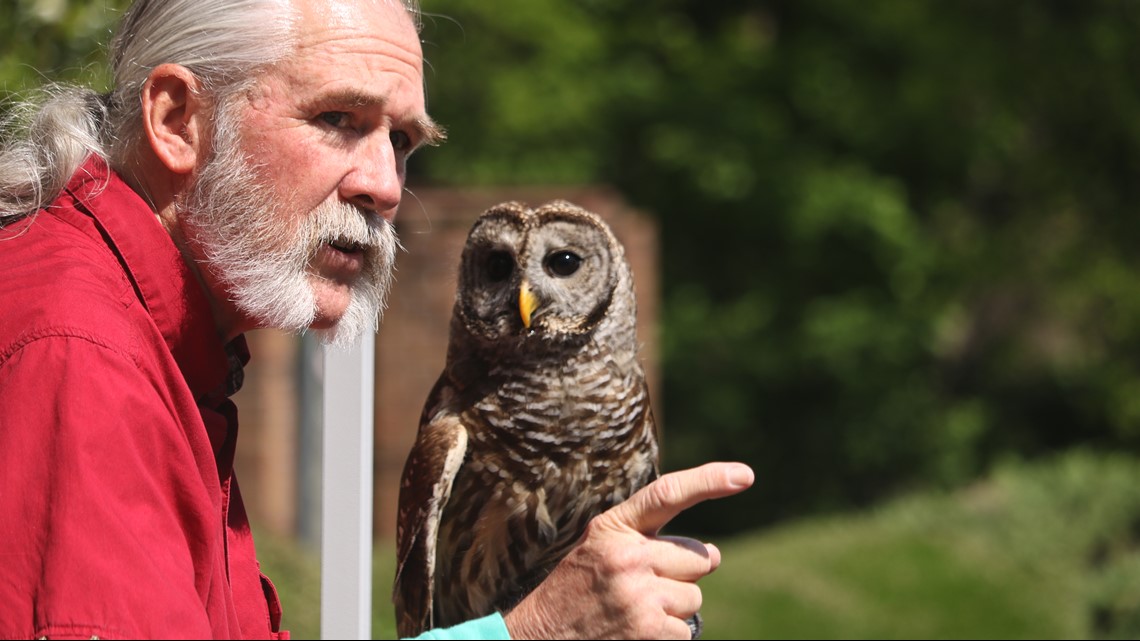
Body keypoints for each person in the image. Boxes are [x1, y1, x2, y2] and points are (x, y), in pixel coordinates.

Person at [0, 0, 755, 638]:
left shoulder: (157, 344)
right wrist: (531, 628)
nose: (387, 186)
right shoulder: (77, 349)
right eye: (338, 118)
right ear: (176, 119)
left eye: (400, 141)